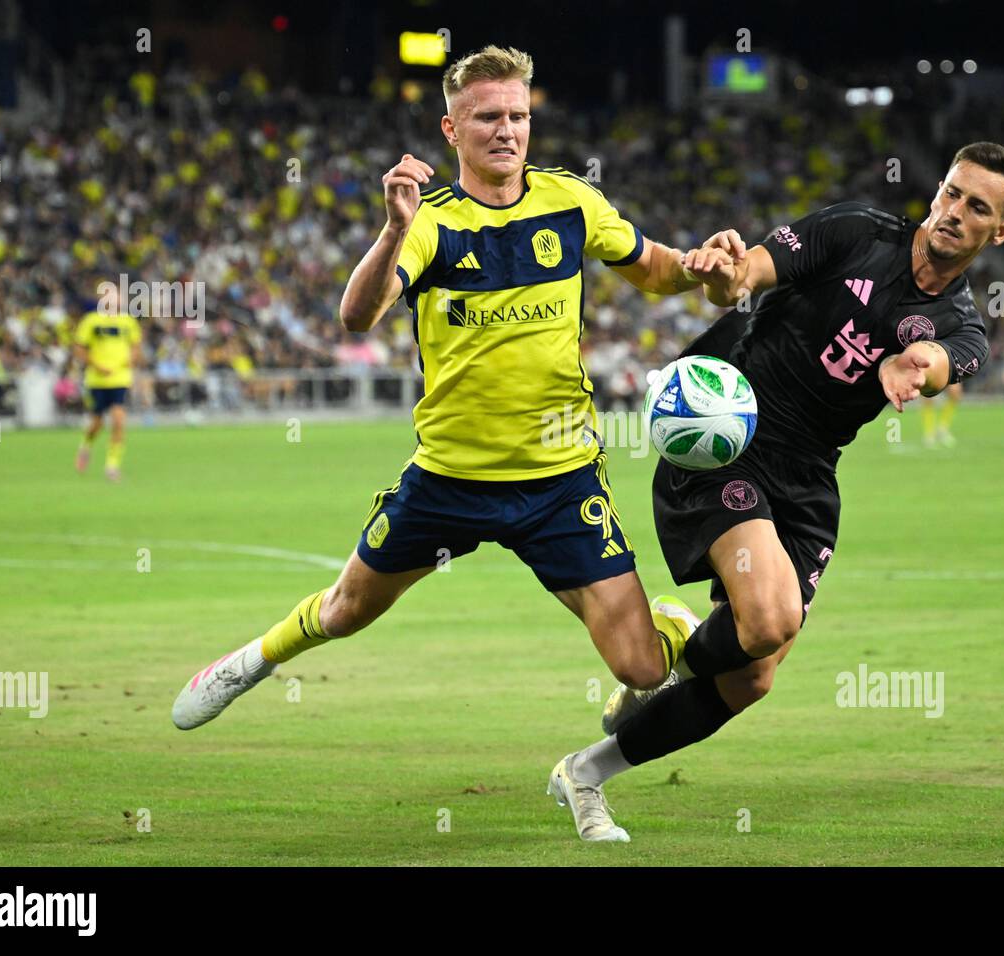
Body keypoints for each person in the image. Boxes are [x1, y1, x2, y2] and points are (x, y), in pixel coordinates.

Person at [170, 46, 733, 842]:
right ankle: (247, 663)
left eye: (518, 116)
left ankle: (665, 622)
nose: (507, 131)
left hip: (560, 479)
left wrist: (703, 265)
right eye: (488, 117)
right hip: (448, 480)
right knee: (344, 611)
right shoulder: (431, 222)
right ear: (451, 128)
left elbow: (656, 269)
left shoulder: (573, 202)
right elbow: (356, 317)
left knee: (644, 669)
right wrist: (393, 229)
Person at [552, 143, 1004, 841]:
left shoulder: (963, 327)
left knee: (754, 675)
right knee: (771, 619)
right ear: (937, 191)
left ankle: (586, 772)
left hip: (808, 476)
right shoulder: (857, 232)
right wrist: (723, 273)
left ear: (1002, 232)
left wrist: (914, 364)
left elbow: (939, 360)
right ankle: (677, 649)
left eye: (978, 207)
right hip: (729, 432)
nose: (956, 213)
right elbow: (747, 275)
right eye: (953, 194)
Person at [73, 283, 141, 481]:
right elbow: (79, 348)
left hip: (120, 378)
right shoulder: (91, 321)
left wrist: (131, 358)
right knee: (97, 423)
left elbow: (136, 346)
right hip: (97, 380)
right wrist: (95, 365)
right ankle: (85, 445)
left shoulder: (128, 322)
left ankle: (112, 466)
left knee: (119, 419)